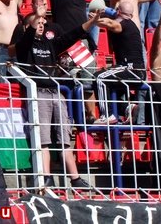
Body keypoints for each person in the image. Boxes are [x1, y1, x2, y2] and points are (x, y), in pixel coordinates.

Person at [16, 11, 102, 188]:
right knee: (44, 139)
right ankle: (45, 176)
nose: (41, 25)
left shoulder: (51, 44)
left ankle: (75, 178)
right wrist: (35, 18)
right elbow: (28, 37)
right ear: (27, 26)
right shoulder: (23, 45)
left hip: (56, 92)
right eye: (37, 22)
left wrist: (91, 22)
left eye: (42, 23)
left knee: (64, 137)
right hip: (38, 93)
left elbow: (72, 35)